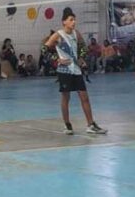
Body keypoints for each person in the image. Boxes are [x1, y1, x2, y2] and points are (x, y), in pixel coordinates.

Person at [44, 8, 107, 136]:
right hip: (64, 70)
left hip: (76, 70)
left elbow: (83, 47)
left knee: (84, 96)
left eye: (74, 19)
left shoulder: (76, 34)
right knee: (66, 97)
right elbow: (44, 50)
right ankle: (67, 125)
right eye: (71, 20)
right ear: (64, 22)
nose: (74, 22)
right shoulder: (58, 35)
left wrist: (81, 57)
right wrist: (57, 60)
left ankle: (91, 124)